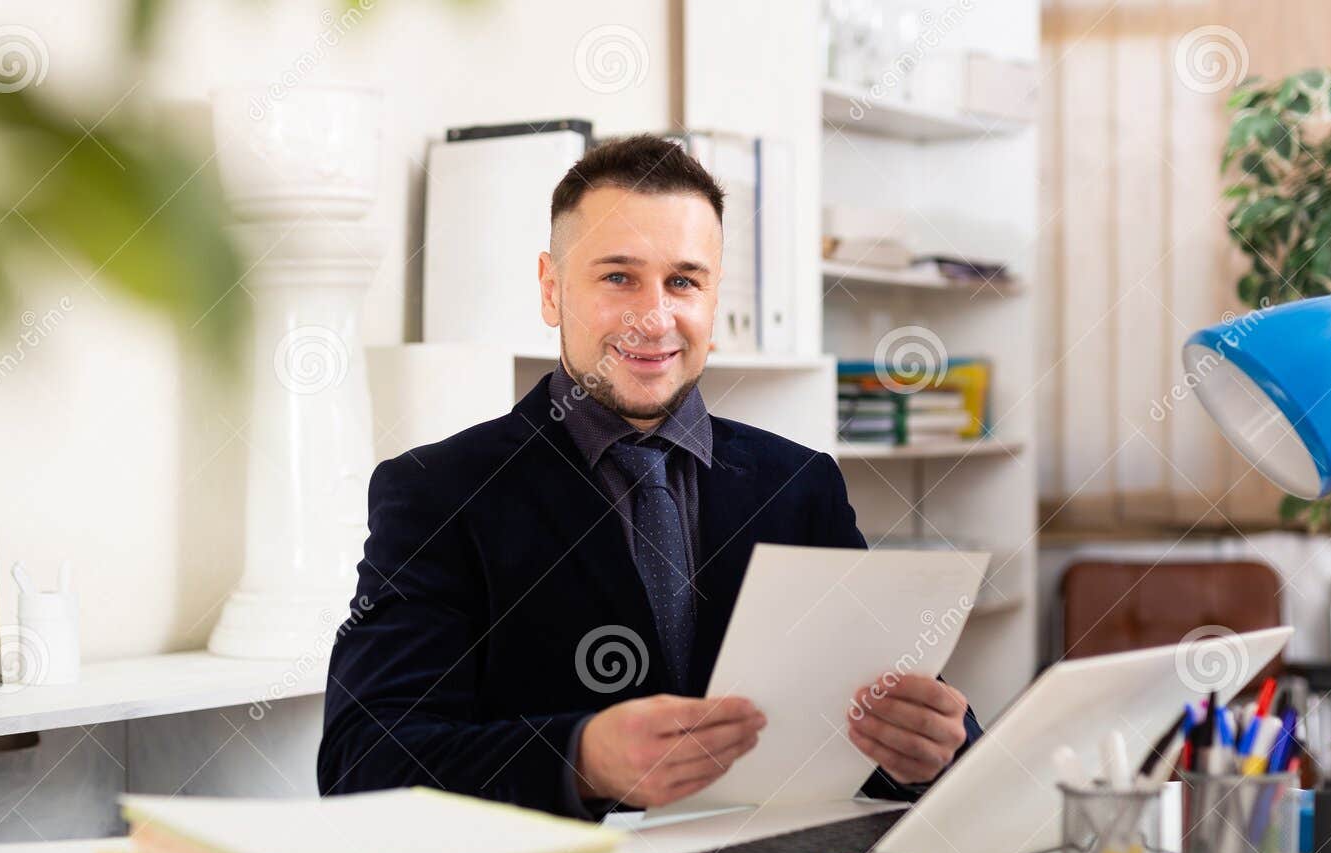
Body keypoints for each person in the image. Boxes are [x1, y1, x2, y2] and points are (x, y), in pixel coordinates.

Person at [318, 134, 980, 817]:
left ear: (713, 300)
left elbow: (885, 741)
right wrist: (581, 760)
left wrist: (932, 750)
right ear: (552, 290)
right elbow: (363, 762)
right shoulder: (439, 493)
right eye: (618, 277)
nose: (655, 317)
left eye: (683, 281)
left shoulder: (799, 485)